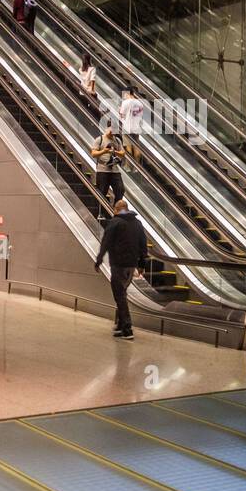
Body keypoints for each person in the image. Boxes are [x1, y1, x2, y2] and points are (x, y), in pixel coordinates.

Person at [94, 198, 146, 341]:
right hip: (131, 265)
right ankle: (120, 326)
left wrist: (99, 260)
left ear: (116, 209)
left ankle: (127, 329)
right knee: (122, 294)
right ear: (127, 208)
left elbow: (105, 242)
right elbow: (143, 244)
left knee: (120, 296)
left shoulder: (114, 223)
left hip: (118, 265)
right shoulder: (138, 223)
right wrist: (142, 264)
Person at [90, 125, 126, 211]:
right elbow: (93, 153)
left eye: (113, 132)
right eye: (110, 132)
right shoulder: (100, 139)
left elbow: (123, 153)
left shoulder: (117, 140)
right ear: (107, 130)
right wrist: (104, 151)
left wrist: (114, 152)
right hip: (103, 170)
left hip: (114, 170)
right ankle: (99, 211)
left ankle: (116, 210)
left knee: (120, 190)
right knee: (102, 192)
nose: (111, 134)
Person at [118, 87, 145, 161]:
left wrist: (119, 110)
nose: (124, 96)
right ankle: (137, 166)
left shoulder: (125, 102)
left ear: (127, 93)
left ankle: (129, 166)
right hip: (137, 127)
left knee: (128, 146)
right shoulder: (140, 103)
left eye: (124, 94)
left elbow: (121, 114)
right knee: (136, 147)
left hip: (127, 127)